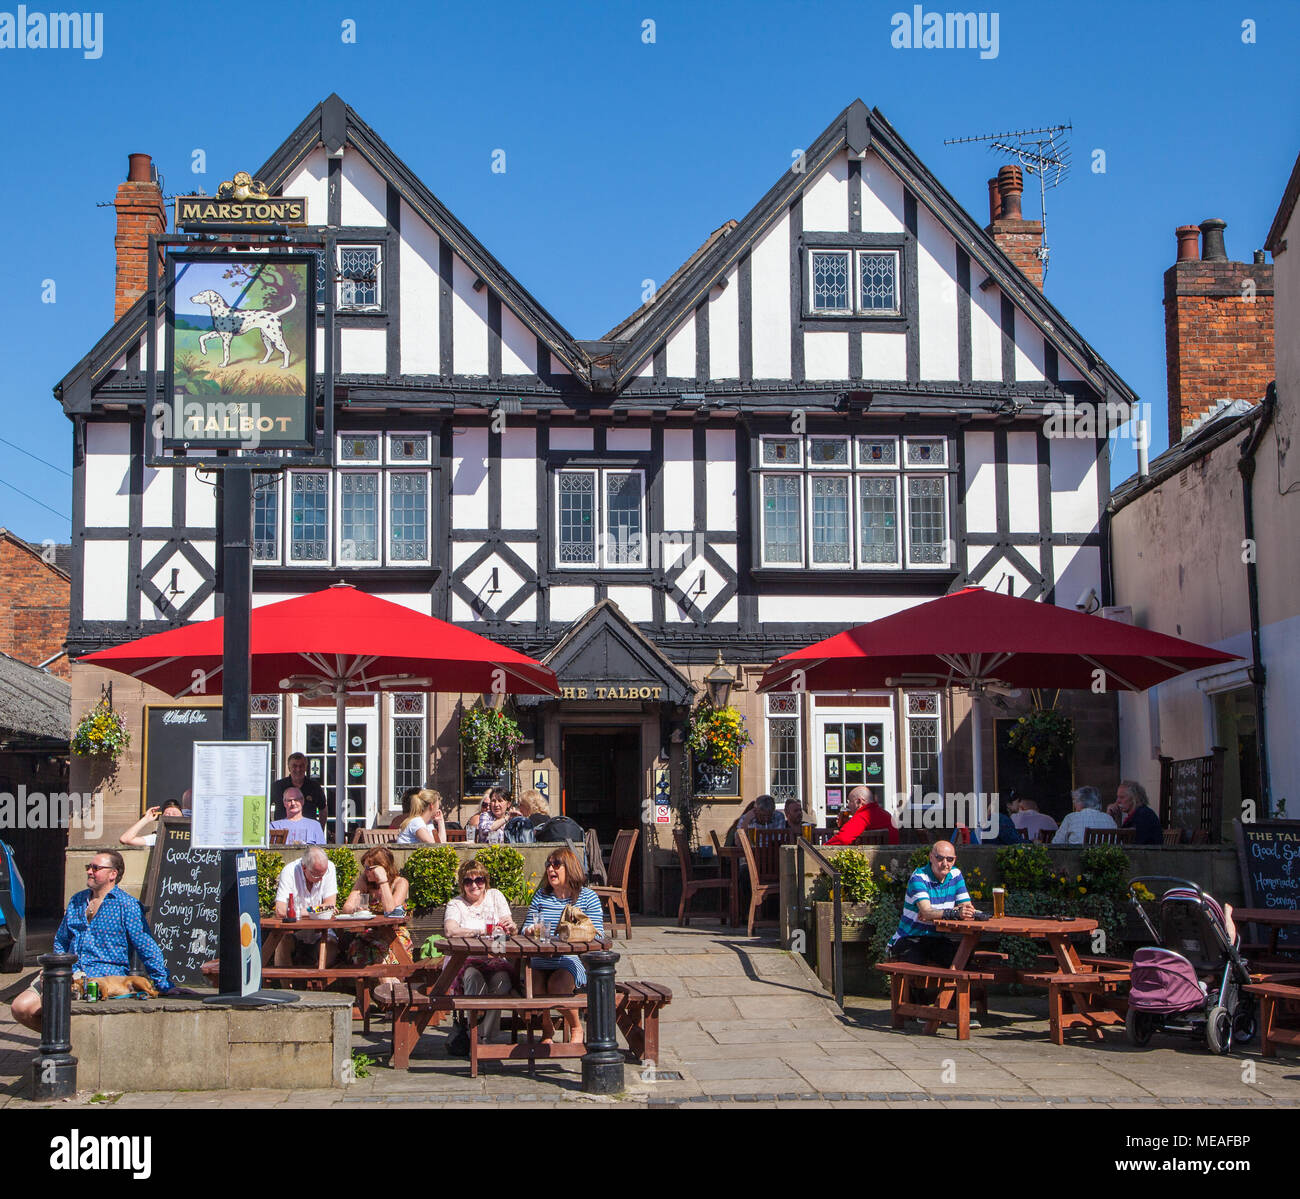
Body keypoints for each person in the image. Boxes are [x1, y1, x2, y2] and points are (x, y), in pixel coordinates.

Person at [11, 850, 174, 1032]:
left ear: (113, 874)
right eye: (89, 867)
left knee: (57, 1009)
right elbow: (61, 941)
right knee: (21, 1008)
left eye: (96, 868)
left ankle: (67, 1048)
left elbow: (146, 945)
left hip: (102, 976)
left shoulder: (127, 906)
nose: (89, 871)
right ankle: (66, 1044)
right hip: (68, 971)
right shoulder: (77, 901)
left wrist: (164, 983)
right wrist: (55, 968)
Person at [523, 846, 605, 1044]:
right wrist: (529, 929)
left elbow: (599, 934)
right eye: (548, 865)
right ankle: (547, 1029)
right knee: (535, 987)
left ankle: (576, 1027)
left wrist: (573, 935)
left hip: (569, 959)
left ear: (570, 868)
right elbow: (525, 927)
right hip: (540, 959)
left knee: (558, 986)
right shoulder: (541, 896)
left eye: (556, 865)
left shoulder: (587, 897)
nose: (551, 869)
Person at [442, 858, 519, 1050]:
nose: (474, 885)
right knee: (473, 977)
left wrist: (512, 928)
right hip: (464, 960)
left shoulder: (495, 896)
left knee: (503, 980)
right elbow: (450, 930)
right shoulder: (456, 904)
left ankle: (484, 1036)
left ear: (486, 881)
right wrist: (480, 932)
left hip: (494, 957)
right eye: (468, 881)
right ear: (462, 884)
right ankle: (475, 1034)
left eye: (479, 880)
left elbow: (507, 927)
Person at [886, 840, 975, 968]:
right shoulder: (919, 877)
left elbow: (967, 908)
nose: (945, 864)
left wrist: (936, 913)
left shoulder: (956, 875)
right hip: (910, 938)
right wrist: (953, 912)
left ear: (954, 860)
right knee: (916, 969)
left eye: (949, 859)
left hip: (936, 939)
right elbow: (927, 912)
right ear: (931, 857)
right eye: (940, 858)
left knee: (964, 959)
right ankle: (915, 988)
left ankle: (954, 988)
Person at [341, 846, 413, 976]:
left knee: (385, 957)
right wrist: (356, 908)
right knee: (361, 949)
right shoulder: (364, 880)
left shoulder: (400, 883)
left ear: (383, 867)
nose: (366, 872)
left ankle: (390, 991)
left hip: (394, 935)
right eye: (365, 868)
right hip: (368, 935)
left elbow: (390, 911)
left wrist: (383, 881)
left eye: (370, 868)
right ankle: (381, 992)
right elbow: (346, 908)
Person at [273, 847, 339, 968]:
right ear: (304, 868)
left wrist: (295, 911)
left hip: (320, 933)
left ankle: (316, 984)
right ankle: (286, 986)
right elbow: (281, 910)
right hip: (294, 933)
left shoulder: (329, 868)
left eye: (323, 874)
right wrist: (313, 911)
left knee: (331, 946)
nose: (321, 879)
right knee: (282, 944)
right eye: (317, 875)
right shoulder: (289, 871)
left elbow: (330, 904)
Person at [827, 786, 900, 846]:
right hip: (892, 856)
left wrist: (822, 849)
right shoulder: (885, 814)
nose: (848, 806)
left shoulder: (864, 815)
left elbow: (843, 839)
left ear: (859, 801)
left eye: (849, 802)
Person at [270, 752, 328, 822]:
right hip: (283, 830)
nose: (298, 769)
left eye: (301, 766)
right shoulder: (277, 786)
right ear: (289, 768)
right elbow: (265, 806)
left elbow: (323, 809)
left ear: (306, 768)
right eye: (294, 766)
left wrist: (319, 829)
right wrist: (269, 827)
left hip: (308, 831)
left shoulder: (314, 787)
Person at [1052, 786, 1117, 845]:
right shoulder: (1109, 819)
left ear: (1081, 802)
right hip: (1105, 857)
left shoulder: (1071, 818)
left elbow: (1056, 843)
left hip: (1079, 857)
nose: (1074, 804)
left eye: (1075, 800)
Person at [118, 800, 184, 848]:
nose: (171, 816)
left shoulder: (191, 837)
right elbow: (125, 839)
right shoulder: (158, 838)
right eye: (167, 814)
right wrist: (146, 819)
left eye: (175, 814)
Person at [1116, 780, 1163, 845]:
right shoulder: (1139, 814)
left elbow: (1126, 842)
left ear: (1134, 798)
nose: (1117, 801)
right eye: (1117, 797)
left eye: (1122, 797)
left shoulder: (1143, 816)